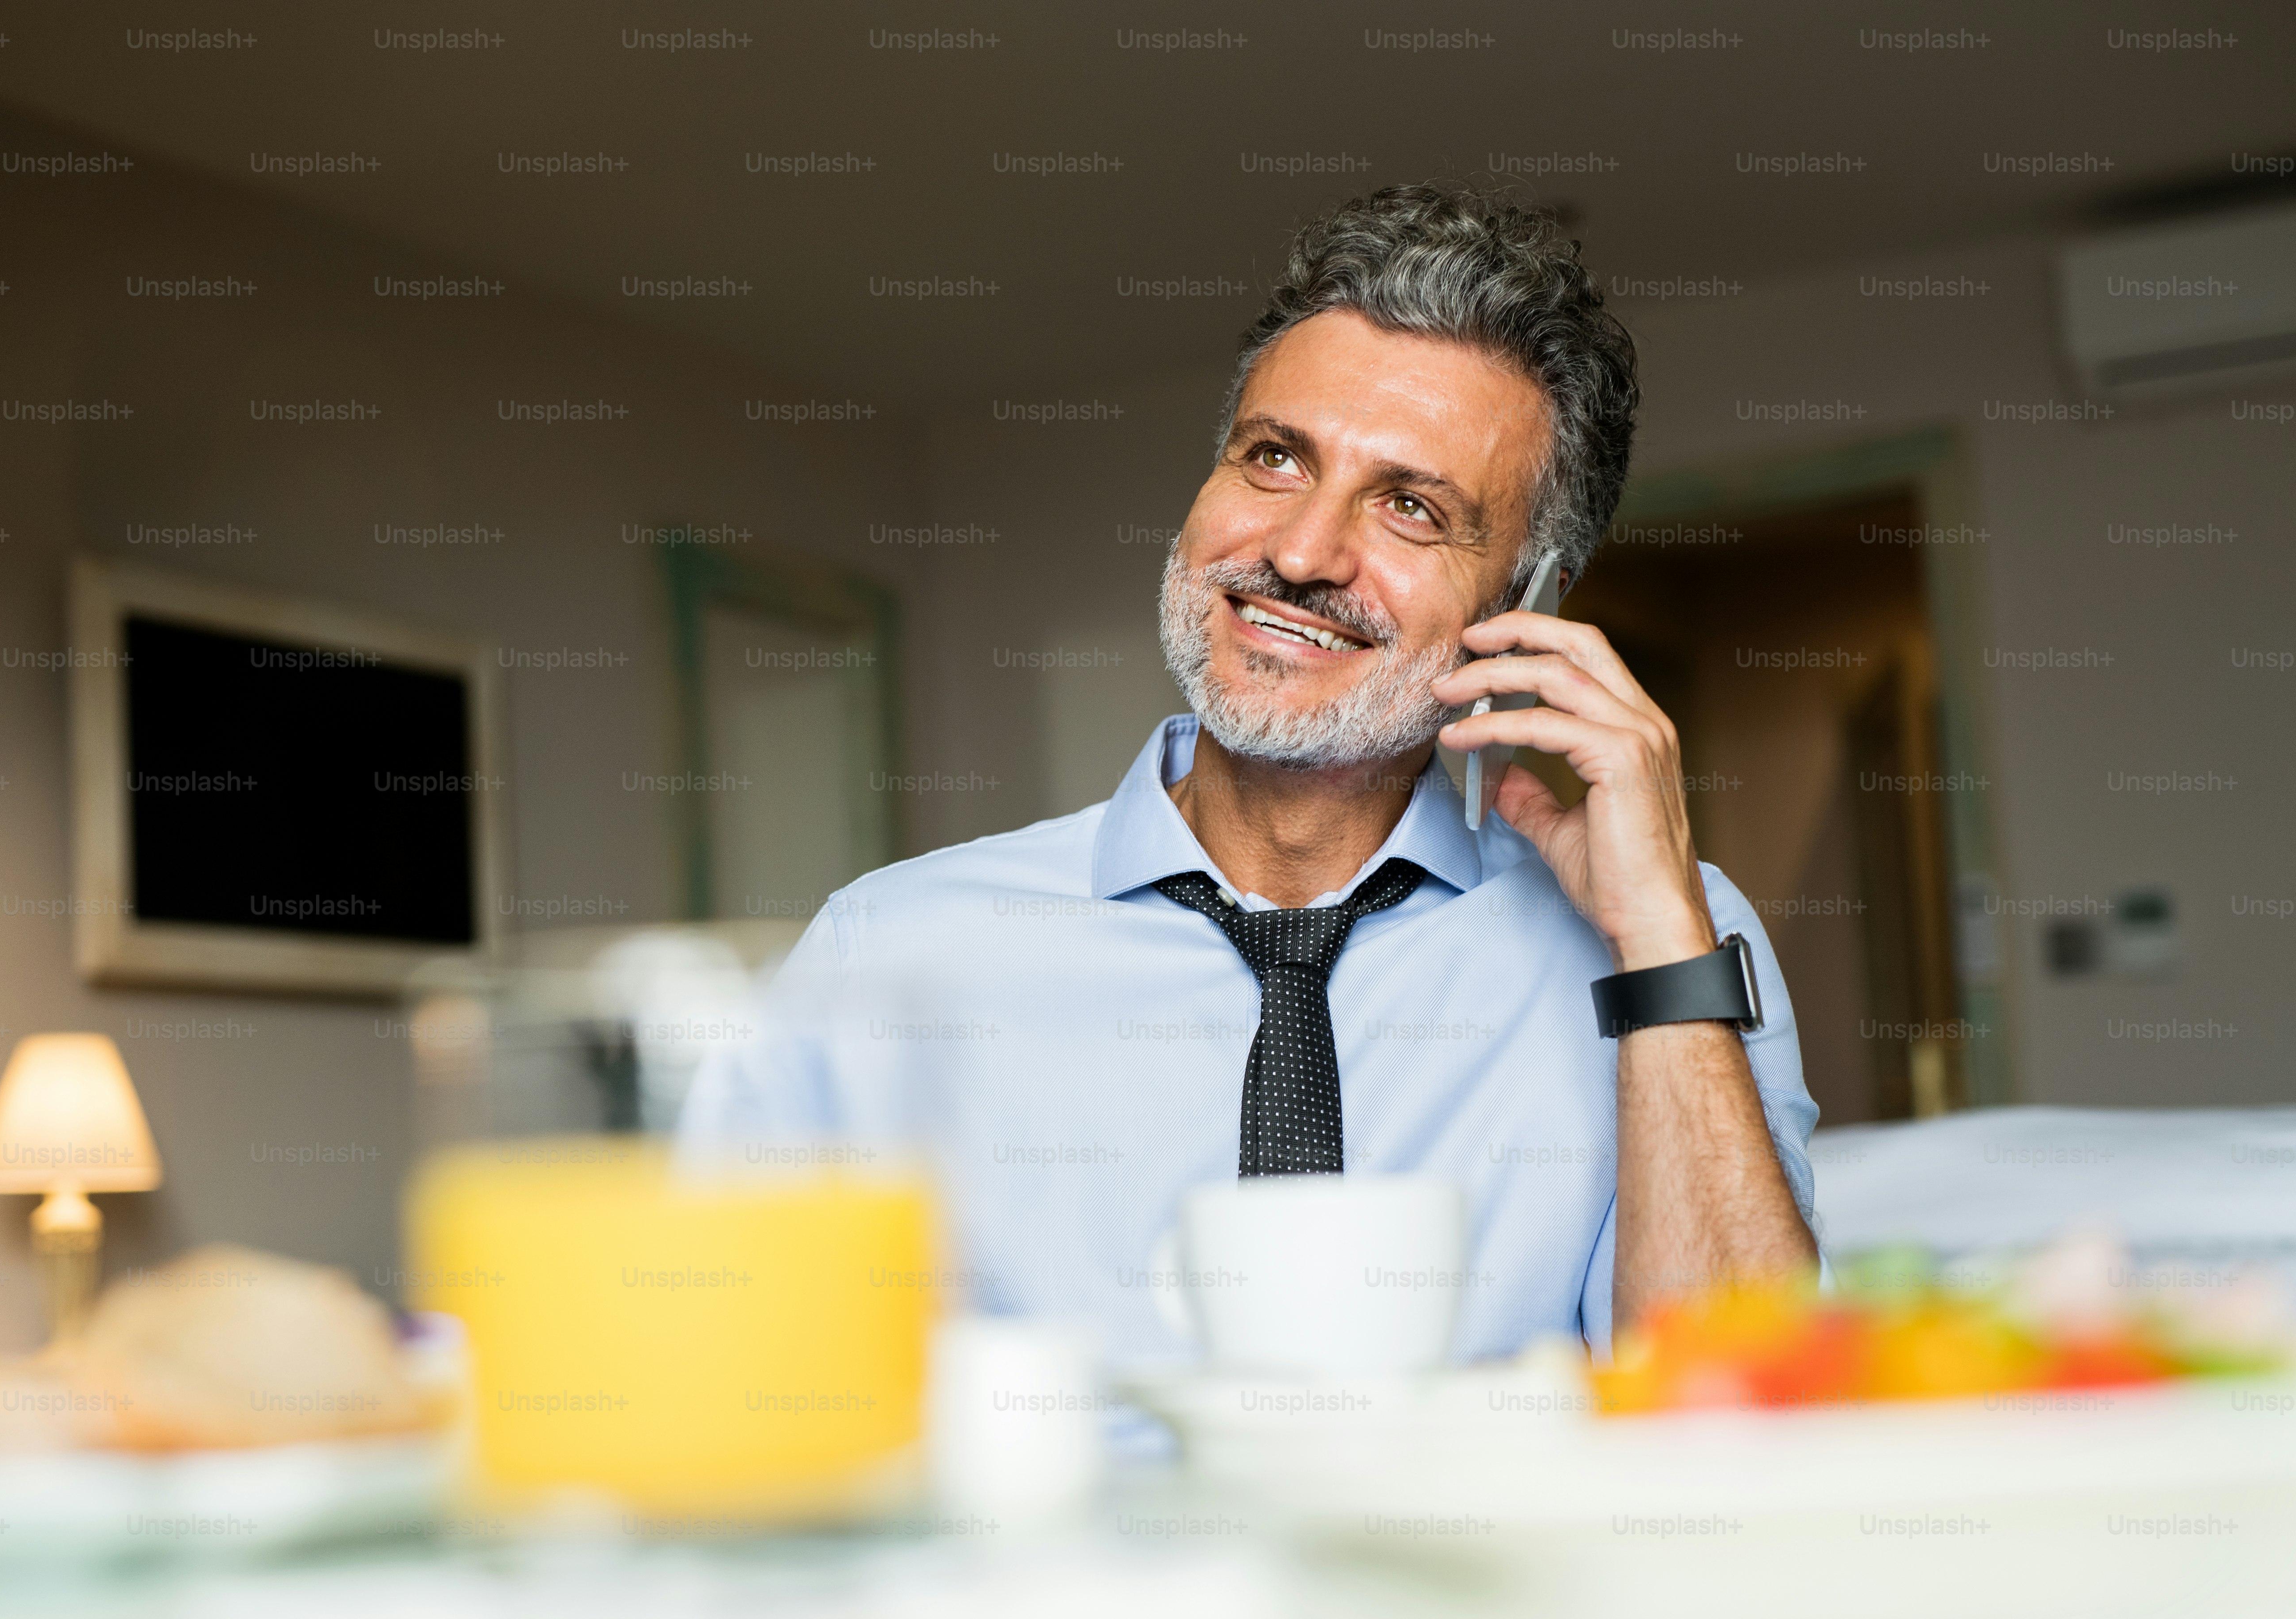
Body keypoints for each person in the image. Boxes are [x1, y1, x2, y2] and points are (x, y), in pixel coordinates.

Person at [681, 183, 1818, 1362]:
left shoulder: (1674, 945)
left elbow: (1737, 1410)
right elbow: (724, 1390)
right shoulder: (888, 949)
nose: (1301, 553)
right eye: (1275, 458)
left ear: (1523, 607)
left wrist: (1660, 948)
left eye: (1413, 509)